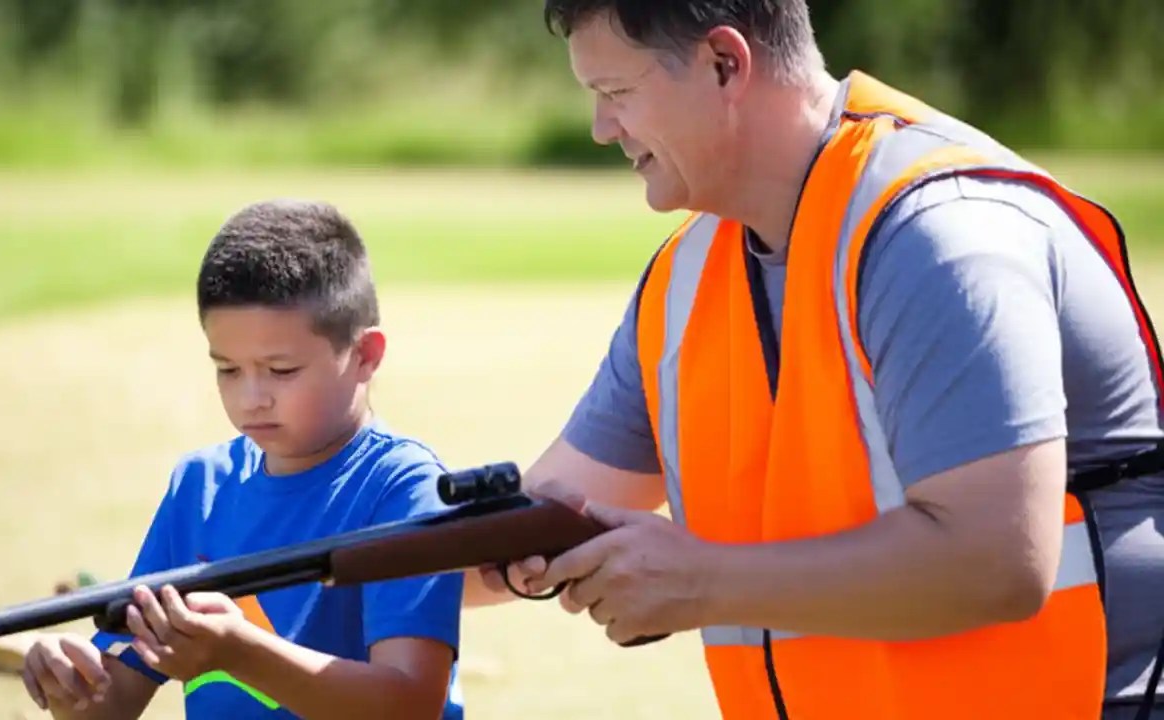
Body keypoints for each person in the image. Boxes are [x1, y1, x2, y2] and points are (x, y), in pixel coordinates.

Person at [467, 2, 1164, 719]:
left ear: (724, 64)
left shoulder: (939, 235)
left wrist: (703, 579)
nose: (601, 127)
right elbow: (540, 520)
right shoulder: (687, 278)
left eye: (616, 93)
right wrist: (350, 557)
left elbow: (996, 561)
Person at [19, 200, 465, 719]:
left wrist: (238, 650)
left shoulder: (405, 488)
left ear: (365, 356)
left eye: (281, 370)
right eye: (228, 369)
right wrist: (69, 689)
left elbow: (410, 706)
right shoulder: (199, 487)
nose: (251, 397)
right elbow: (112, 703)